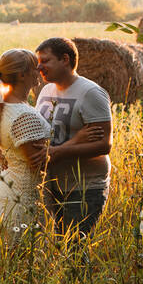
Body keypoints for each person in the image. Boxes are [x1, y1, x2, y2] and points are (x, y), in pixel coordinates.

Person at [34, 37, 113, 238]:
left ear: (65, 60)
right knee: (60, 245)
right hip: (54, 185)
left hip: (84, 187)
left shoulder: (91, 93)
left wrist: (56, 152)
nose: (39, 67)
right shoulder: (46, 90)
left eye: (45, 61)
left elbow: (103, 145)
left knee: (75, 247)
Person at [0, 48, 51, 244]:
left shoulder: (4, 107)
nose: (39, 70)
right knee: (27, 262)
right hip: (24, 194)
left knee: (13, 262)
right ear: (22, 75)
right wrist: (78, 144)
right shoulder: (23, 115)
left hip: (9, 187)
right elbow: (39, 163)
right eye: (34, 67)